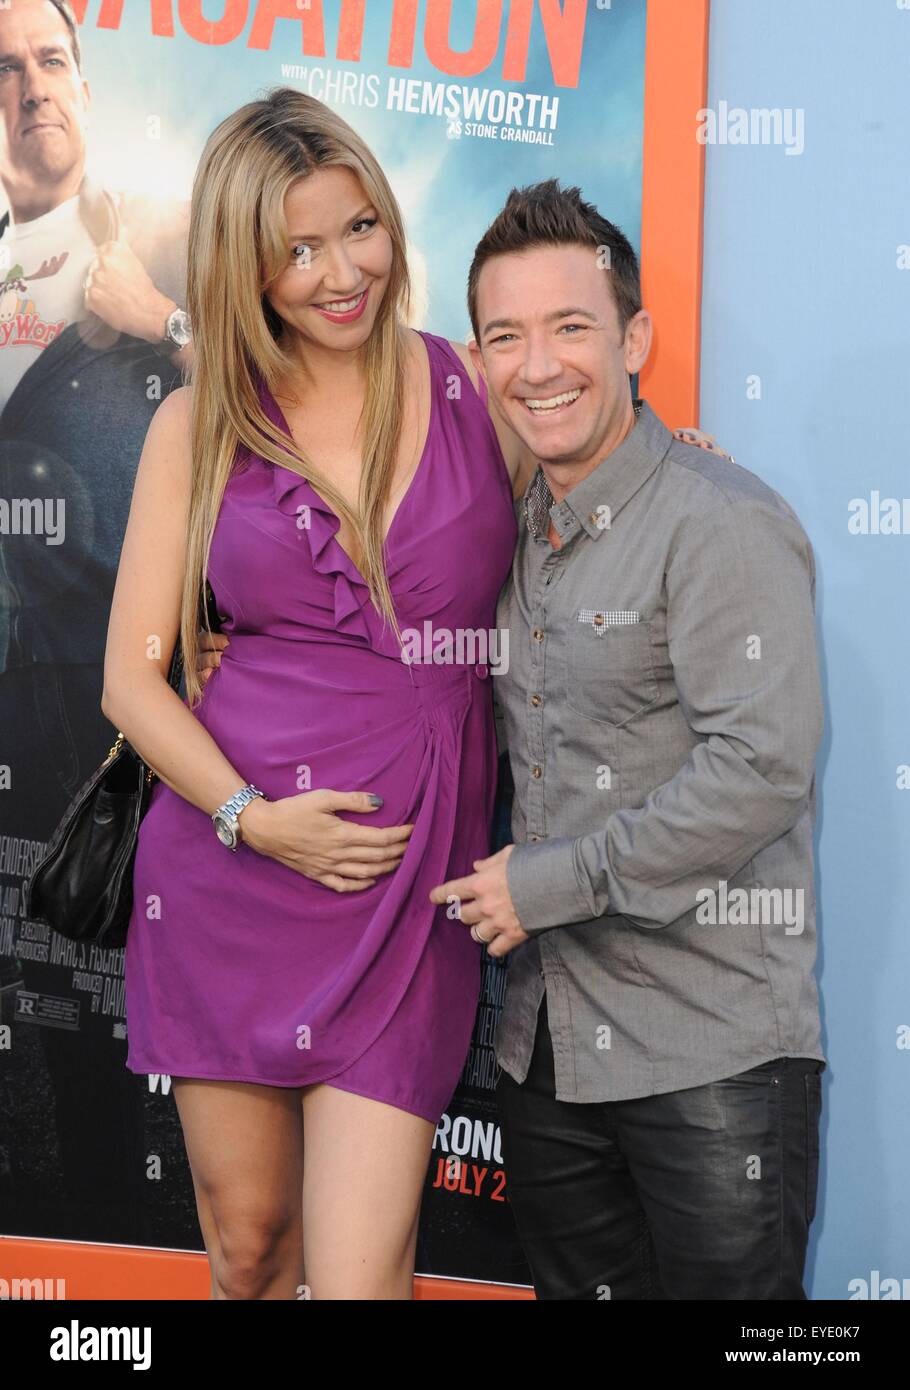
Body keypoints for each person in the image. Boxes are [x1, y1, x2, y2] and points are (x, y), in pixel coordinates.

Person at [428, 180, 826, 1300]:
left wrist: (547, 884)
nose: (538, 365)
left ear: (634, 337)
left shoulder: (718, 519)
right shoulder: (502, 537)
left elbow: (760, 769)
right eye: (507, 335)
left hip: (711, 1058)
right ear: (477, 357)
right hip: (548, 1055)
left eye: (570, 328)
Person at [0, 0, 191, 1245]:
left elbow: (314, 401)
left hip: (119, 740)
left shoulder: (168, 243)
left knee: (124, 1056)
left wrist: (168, 325)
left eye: (52, 60)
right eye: (3, 69)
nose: (31, 89)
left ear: (88, 79)